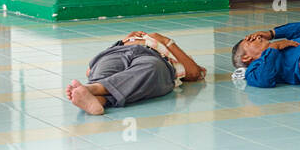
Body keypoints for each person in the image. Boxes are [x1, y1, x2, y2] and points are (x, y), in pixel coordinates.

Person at [67, 31, 206, 114]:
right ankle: (98, 99)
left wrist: (165, 40)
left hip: (152, 56)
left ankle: (93, 91)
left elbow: (194, 73)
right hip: (117, 51)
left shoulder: (168, 51)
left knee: (151, 69)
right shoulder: (123, 41)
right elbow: (90, 70)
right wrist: (124, 41)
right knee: (102, 73)